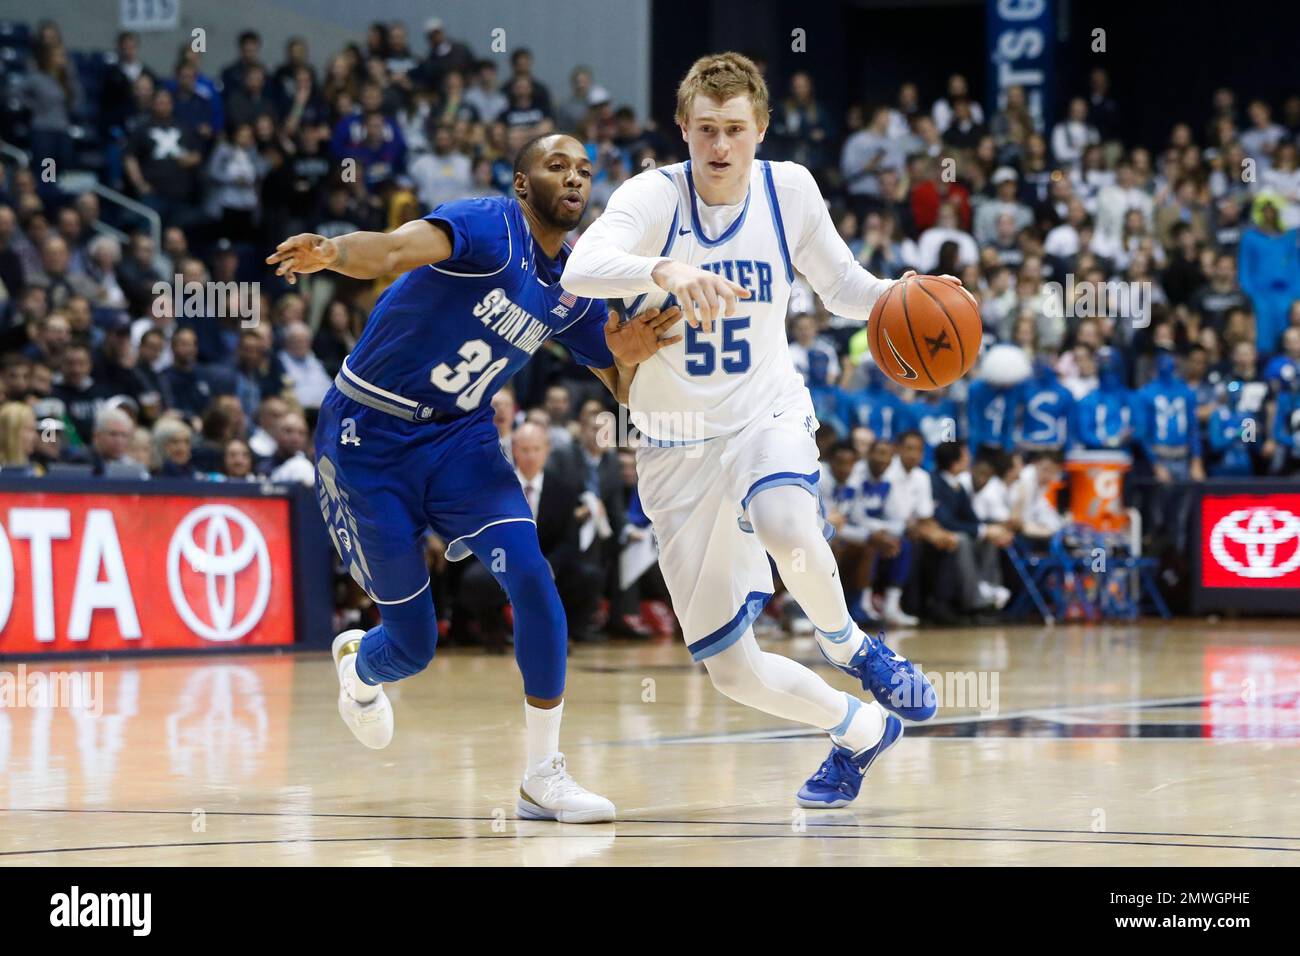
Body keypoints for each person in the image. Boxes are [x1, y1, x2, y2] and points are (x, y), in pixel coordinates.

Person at [562, 52, 939, 811]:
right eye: (706, 129)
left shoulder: (789, 189)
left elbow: (840, 287)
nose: (721, 146)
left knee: (785, 520)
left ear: (761, 129)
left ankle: (849, 646)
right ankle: (859, 730)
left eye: (736, 129)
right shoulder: (653, 195)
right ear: (684, 128)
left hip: (765, 412)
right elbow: (580, 267)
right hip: (672, 442)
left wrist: (907, 295)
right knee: (731, 671)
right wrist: (666, 271)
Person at [267, 132, 678, 824]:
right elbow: (396, 250)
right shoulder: (490, 225)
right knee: (413, 645)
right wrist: (334, 251)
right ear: (522, 183)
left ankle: (542, 776)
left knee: (532, 576)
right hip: (369, 435)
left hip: (460, 439)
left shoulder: (577, 287)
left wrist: (631, 356)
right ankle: (360, 668)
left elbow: (621, 384)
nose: (574, 178)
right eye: (556, 165)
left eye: (584, 170)